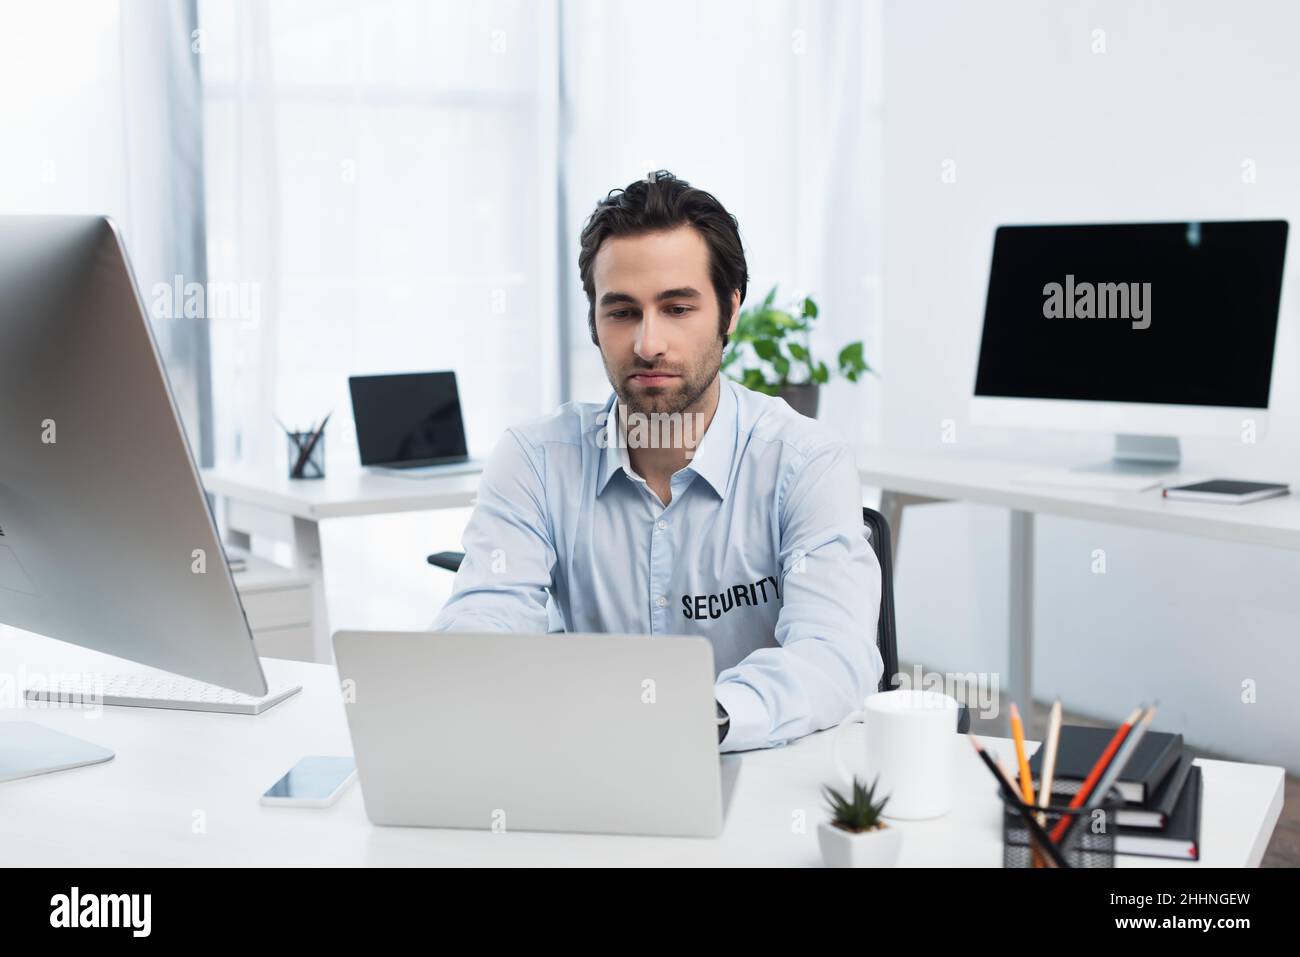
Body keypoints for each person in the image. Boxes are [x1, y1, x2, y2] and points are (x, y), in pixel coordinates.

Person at [431, 170, 882, 751]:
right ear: (594, 323)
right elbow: (485, 614)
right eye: (622, 312)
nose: (648, 344)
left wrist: (701, 719)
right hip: (592, 772)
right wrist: (466, 677)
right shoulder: (536, 461)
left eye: (676, 308)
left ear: (730, 310)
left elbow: (834, 654)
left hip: (757, 774)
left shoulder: (804, 463)